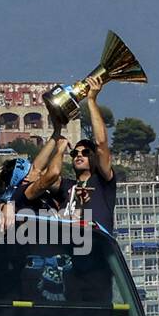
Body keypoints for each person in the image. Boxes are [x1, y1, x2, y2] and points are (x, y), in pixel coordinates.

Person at [63, 74, 116, 232]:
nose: (79, 155)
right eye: (75, 153)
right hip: (74, 250)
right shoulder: (67, 186)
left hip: (99, 250)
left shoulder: (103, 182)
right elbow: (47, 176)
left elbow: (101, 143)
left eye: (85, 152)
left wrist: (91, 100)